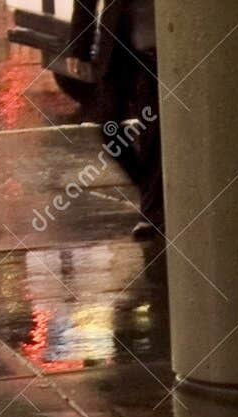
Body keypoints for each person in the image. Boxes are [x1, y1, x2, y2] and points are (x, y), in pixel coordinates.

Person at [79, 0, 163, 240]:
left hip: (156, 49)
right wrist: (80, 45)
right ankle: (152, 191)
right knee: (109, 127)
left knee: (152, 133)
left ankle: (152, 212)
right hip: (118, 43)